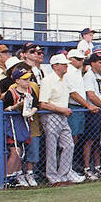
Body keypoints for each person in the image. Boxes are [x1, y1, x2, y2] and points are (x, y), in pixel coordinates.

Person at [38, 53, 79, 185]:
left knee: (69, 145)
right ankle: (52, 177)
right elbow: (43, 103)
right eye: (63, 64)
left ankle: (63, 175)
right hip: (51, 116)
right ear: (55, 66)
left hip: (62, 116)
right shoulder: (47, 81)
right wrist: (62, 110)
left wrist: (63, 111)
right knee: (51, 147)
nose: (66, 66)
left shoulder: (64, 80)